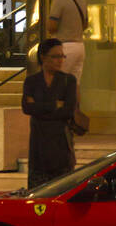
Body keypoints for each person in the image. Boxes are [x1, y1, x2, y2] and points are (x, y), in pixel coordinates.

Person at [21, 37, 77, 190]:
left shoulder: (68, 81)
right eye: (55, 56)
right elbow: (27, 107)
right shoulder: (32, 81)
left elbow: (67, 110)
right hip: (39, 147)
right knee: (38, 193)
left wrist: (39, 108)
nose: (60, 60)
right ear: (43, 57)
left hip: (60, 146)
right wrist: (54, 105)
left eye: (62, 56)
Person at [46, 0, 87, 88]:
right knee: (75, 84)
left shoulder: (59, 0)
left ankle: (58, 106)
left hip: (64, 47)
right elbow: (85, 24)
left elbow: (52, 26)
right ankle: (75, 106)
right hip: (80, 46)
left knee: (56, 82)